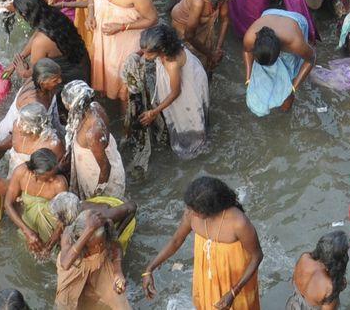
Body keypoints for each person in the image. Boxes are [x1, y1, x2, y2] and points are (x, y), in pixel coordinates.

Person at [142, 177, 262, 310]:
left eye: (195, 210)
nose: (189, 212)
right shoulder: (191, 214)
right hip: (206, 277)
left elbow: (257, 256)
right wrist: (149, 270)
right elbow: (175, 241)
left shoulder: (239, 223)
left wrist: (234, 292)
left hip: (236, 281)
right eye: (189, 208)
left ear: (210, 209)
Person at [52, 189, 138, 310]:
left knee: (121, 305)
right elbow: (65, 264)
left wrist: (118, 271)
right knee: (64, 305)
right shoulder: (69, 234)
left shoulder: (105, 225)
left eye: (101, 243)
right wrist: (89, 231)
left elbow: (116, 246)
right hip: (75, 267)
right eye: (94, 244)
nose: (99, 246)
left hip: (100, 264)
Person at [58, 78, 126, 202]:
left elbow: (105, 168)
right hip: (95, 167)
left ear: (73, 106)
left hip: (101, 180)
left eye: (66, 104)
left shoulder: (93, 132)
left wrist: (97, 196)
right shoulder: (94, 106)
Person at [242, 6, 314, 116]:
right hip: (268, 14)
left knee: (290, 73)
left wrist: (293, 88)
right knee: (262, 76)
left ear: (280, 51)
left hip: (296, 21)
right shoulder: (250, 38)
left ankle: (285, 111)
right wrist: (248, 78)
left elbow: (311, 59)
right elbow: (247, 52)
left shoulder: (294, 43)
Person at [4, 148, 70, 258]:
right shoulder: (21, 173)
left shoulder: (59, 183)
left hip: (52, 230)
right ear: (35, 173)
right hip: (27, 225)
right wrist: (27, 232)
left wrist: (52, 241)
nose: (52, 179)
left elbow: (64, 218)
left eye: (54, 174)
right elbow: (8, 204)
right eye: (48, 177)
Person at [292, 231, 350, 310]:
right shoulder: (330, 287)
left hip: (293, 304)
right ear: (339, 261)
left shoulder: (305, 257)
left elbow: (294, 280)